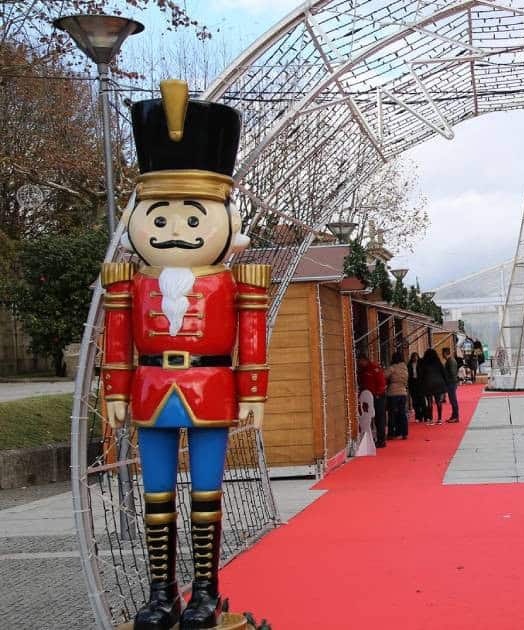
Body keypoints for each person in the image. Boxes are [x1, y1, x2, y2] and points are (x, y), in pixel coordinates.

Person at [97, 80, 266, 628]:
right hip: (150, 392)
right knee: (157, 497)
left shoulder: (238, 282)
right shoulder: (129, 281)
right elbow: (117, 339)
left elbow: (253, 337)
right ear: (138, 222)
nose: (174, 231)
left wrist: (254, 392)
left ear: (225, 222)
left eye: (193, 220)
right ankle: (161, 592)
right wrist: (115, 389)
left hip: (213, 389)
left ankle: (206, 593)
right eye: (161, 217)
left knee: (207, 497)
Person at [357, 357, 388, 447]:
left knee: (379, 417)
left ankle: (381, 440)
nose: (360, 363)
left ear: (365, 360)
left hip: (377, 396)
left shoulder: (374, 368)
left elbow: (382, 382)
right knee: (367, 418)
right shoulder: (362, 370)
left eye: (360, 361)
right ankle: (370, 438)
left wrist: (378, 394)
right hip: (367, 397)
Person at [385, 354, 409, 440]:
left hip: (393, 393)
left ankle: (391, 433)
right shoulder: (404, 368)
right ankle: (404, 432)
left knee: (392, 414)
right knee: (402, 413)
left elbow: (384, 375)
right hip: (403, 392)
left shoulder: (392, 367)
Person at [420, 348, 447, 424]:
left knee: (429, 402)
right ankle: (439, 419)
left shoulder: (424, 363)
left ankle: (431, 419)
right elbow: (443, 373)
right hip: (438, 384)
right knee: (438, 401)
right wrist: (445, 383)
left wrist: (421, 384)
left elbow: (421, 375)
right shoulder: (438, 362)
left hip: (428, 384)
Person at [356, 387, 377, 456]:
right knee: (368, 431)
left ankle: (367, 447)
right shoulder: (368, 395)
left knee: (366, 431)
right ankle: (369, 447)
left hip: (364, 416)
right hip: (366, 416)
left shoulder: (363, 396)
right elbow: (372, 413)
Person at [442, 347, 461, 422]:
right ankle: (454, 416)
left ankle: (455, 417)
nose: (442, 355)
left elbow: (452, 373)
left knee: (453, 400)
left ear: (445, 353)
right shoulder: (450, 360)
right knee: (452, 400)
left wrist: (447, 379)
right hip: (451, 383)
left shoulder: (451, 361)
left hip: (451, 383)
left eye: (442, 353)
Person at [407, 351, 426, 423]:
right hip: (413, 383)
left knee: (422, 401)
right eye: (414, 357)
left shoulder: (421, 364)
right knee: (415, 402)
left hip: (420, 384)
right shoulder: (409, 365)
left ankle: (424, 415)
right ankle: (418, 416)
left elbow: (423, 374)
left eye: (416, 357)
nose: (415, 358)